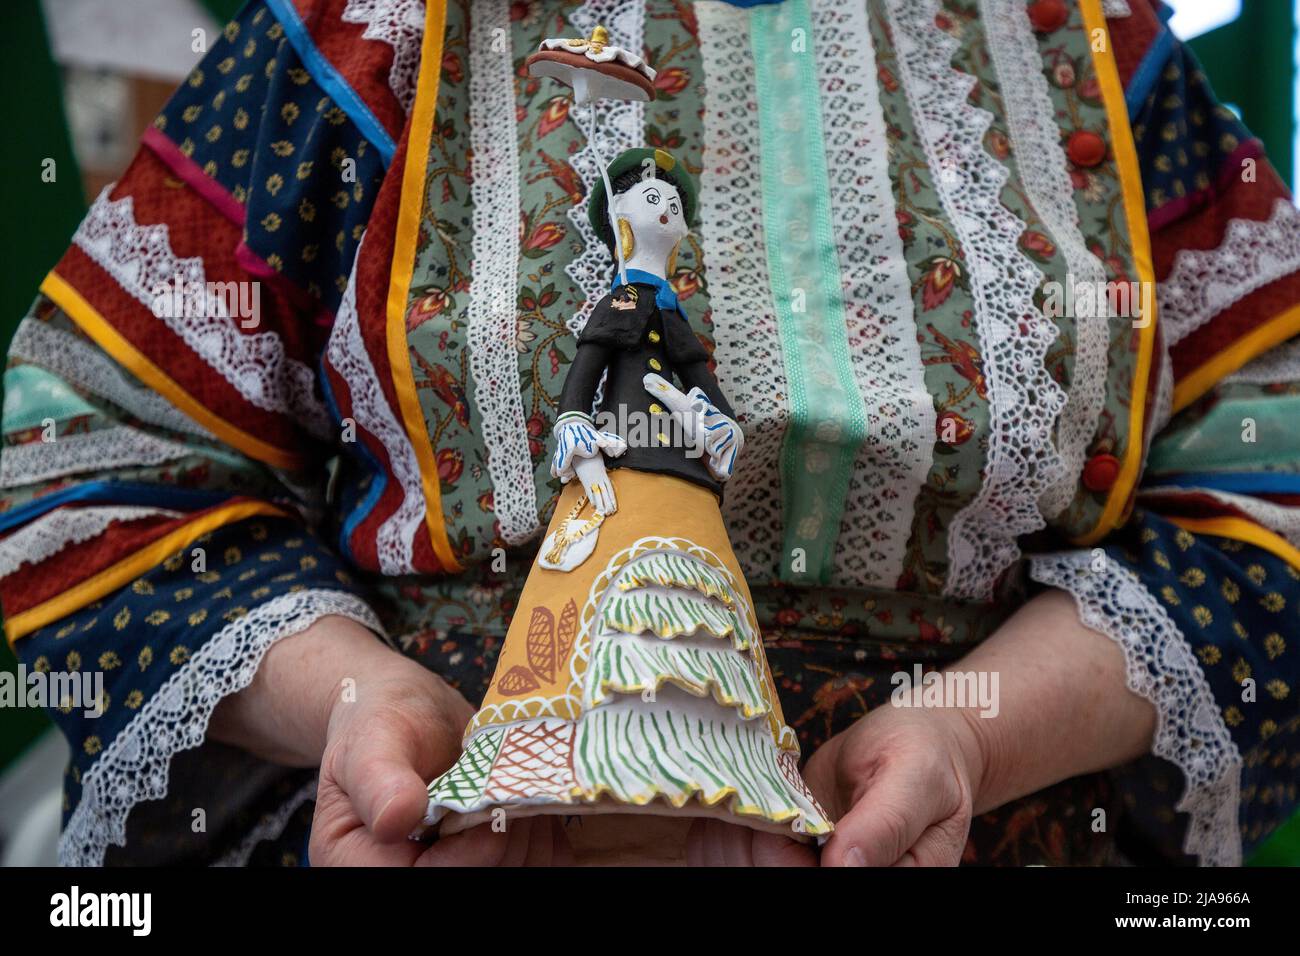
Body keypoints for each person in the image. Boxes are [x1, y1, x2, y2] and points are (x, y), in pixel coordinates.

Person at [2, 0, 1296, 867]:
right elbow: (92, 446)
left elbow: (1270, 470)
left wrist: (973, 735)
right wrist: (361, 703)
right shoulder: (364, 41)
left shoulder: (1095, 64)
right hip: (459, 828)